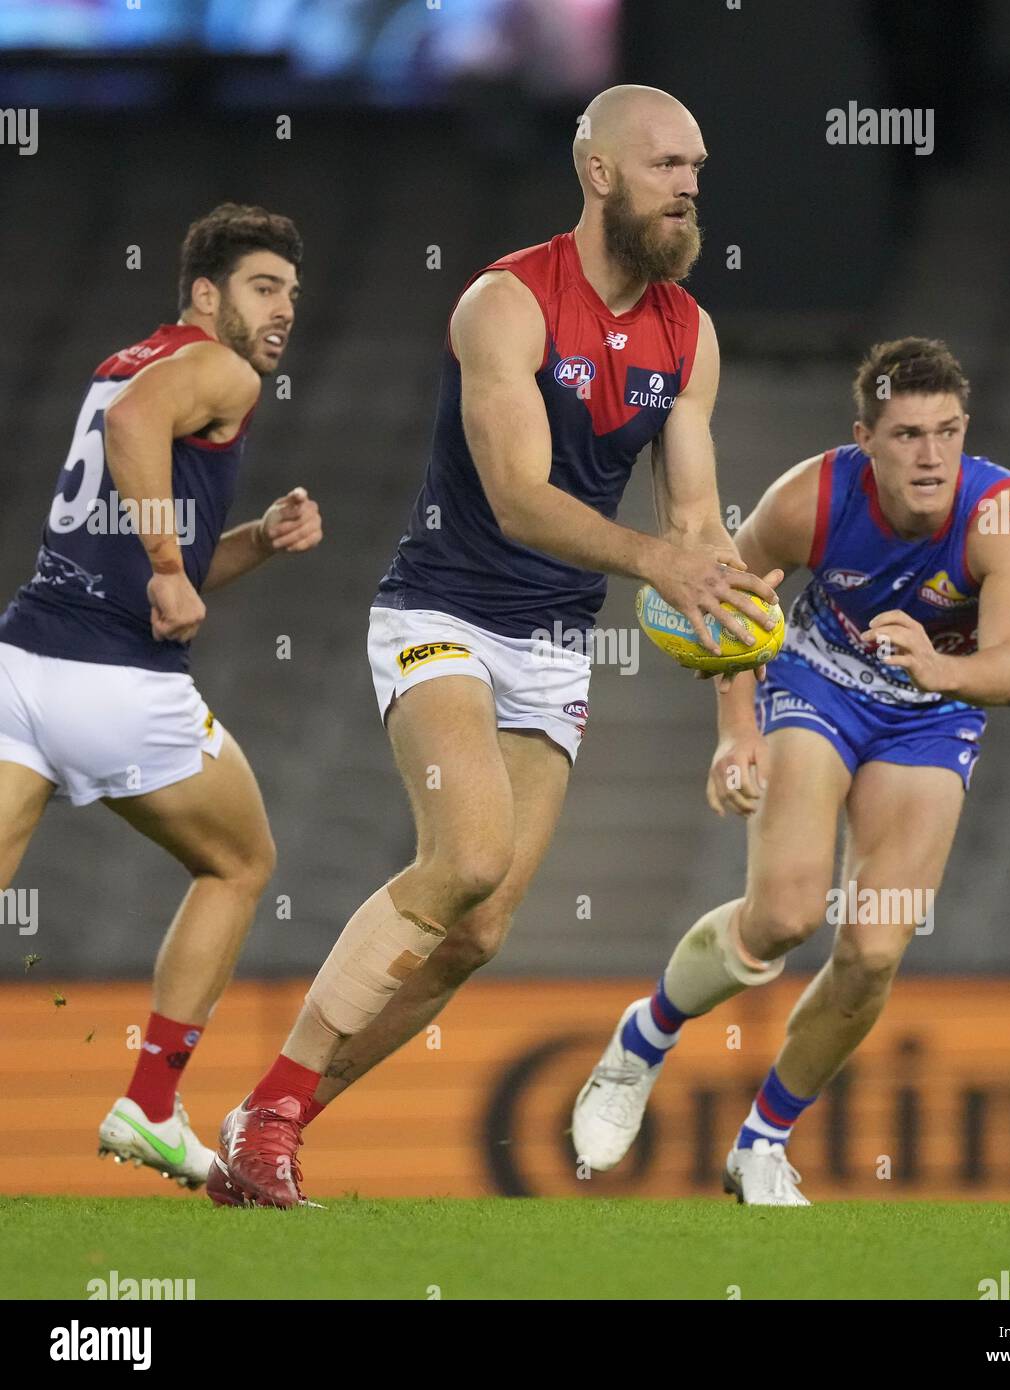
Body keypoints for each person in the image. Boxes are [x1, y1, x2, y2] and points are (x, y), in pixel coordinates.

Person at [209, 86, 779, 1208]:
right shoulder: (504, 306)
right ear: (600, 173)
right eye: (667, 165)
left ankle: (265, 1120)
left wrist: (737, 717)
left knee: (477, 934)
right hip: (441, 617)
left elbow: (700, 533)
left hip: (555, 646)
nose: (690, 186)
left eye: (698, 167)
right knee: (465, 853)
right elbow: (519, 499)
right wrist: (659, 562)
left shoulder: (688, 334)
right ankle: (270, 1114)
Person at [573, 337, 1010, 1205]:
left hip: (932, 714)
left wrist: (935, 670)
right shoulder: (811, 495)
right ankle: (641, 1043)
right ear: (864, 436)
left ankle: (762, 1143)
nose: (931, 454)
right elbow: (725, 596)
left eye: (946, 431)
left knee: (871, 952)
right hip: (817, 682)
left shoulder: (1005, 513)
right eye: (907, 433)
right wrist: (735, 731)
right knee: (784, 916)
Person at [0, 203, 321, 1188]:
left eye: (293, 296)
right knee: (241, 862)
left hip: (20, 668)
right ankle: (148, 1101)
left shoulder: (121, 362)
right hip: (115, 681)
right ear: (204, 294)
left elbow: (134, 475)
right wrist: (166, 565)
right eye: (264, 289)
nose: (282, 312)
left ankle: (150, 1105)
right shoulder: (215, 372)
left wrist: (255, 541)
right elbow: (146, 468)